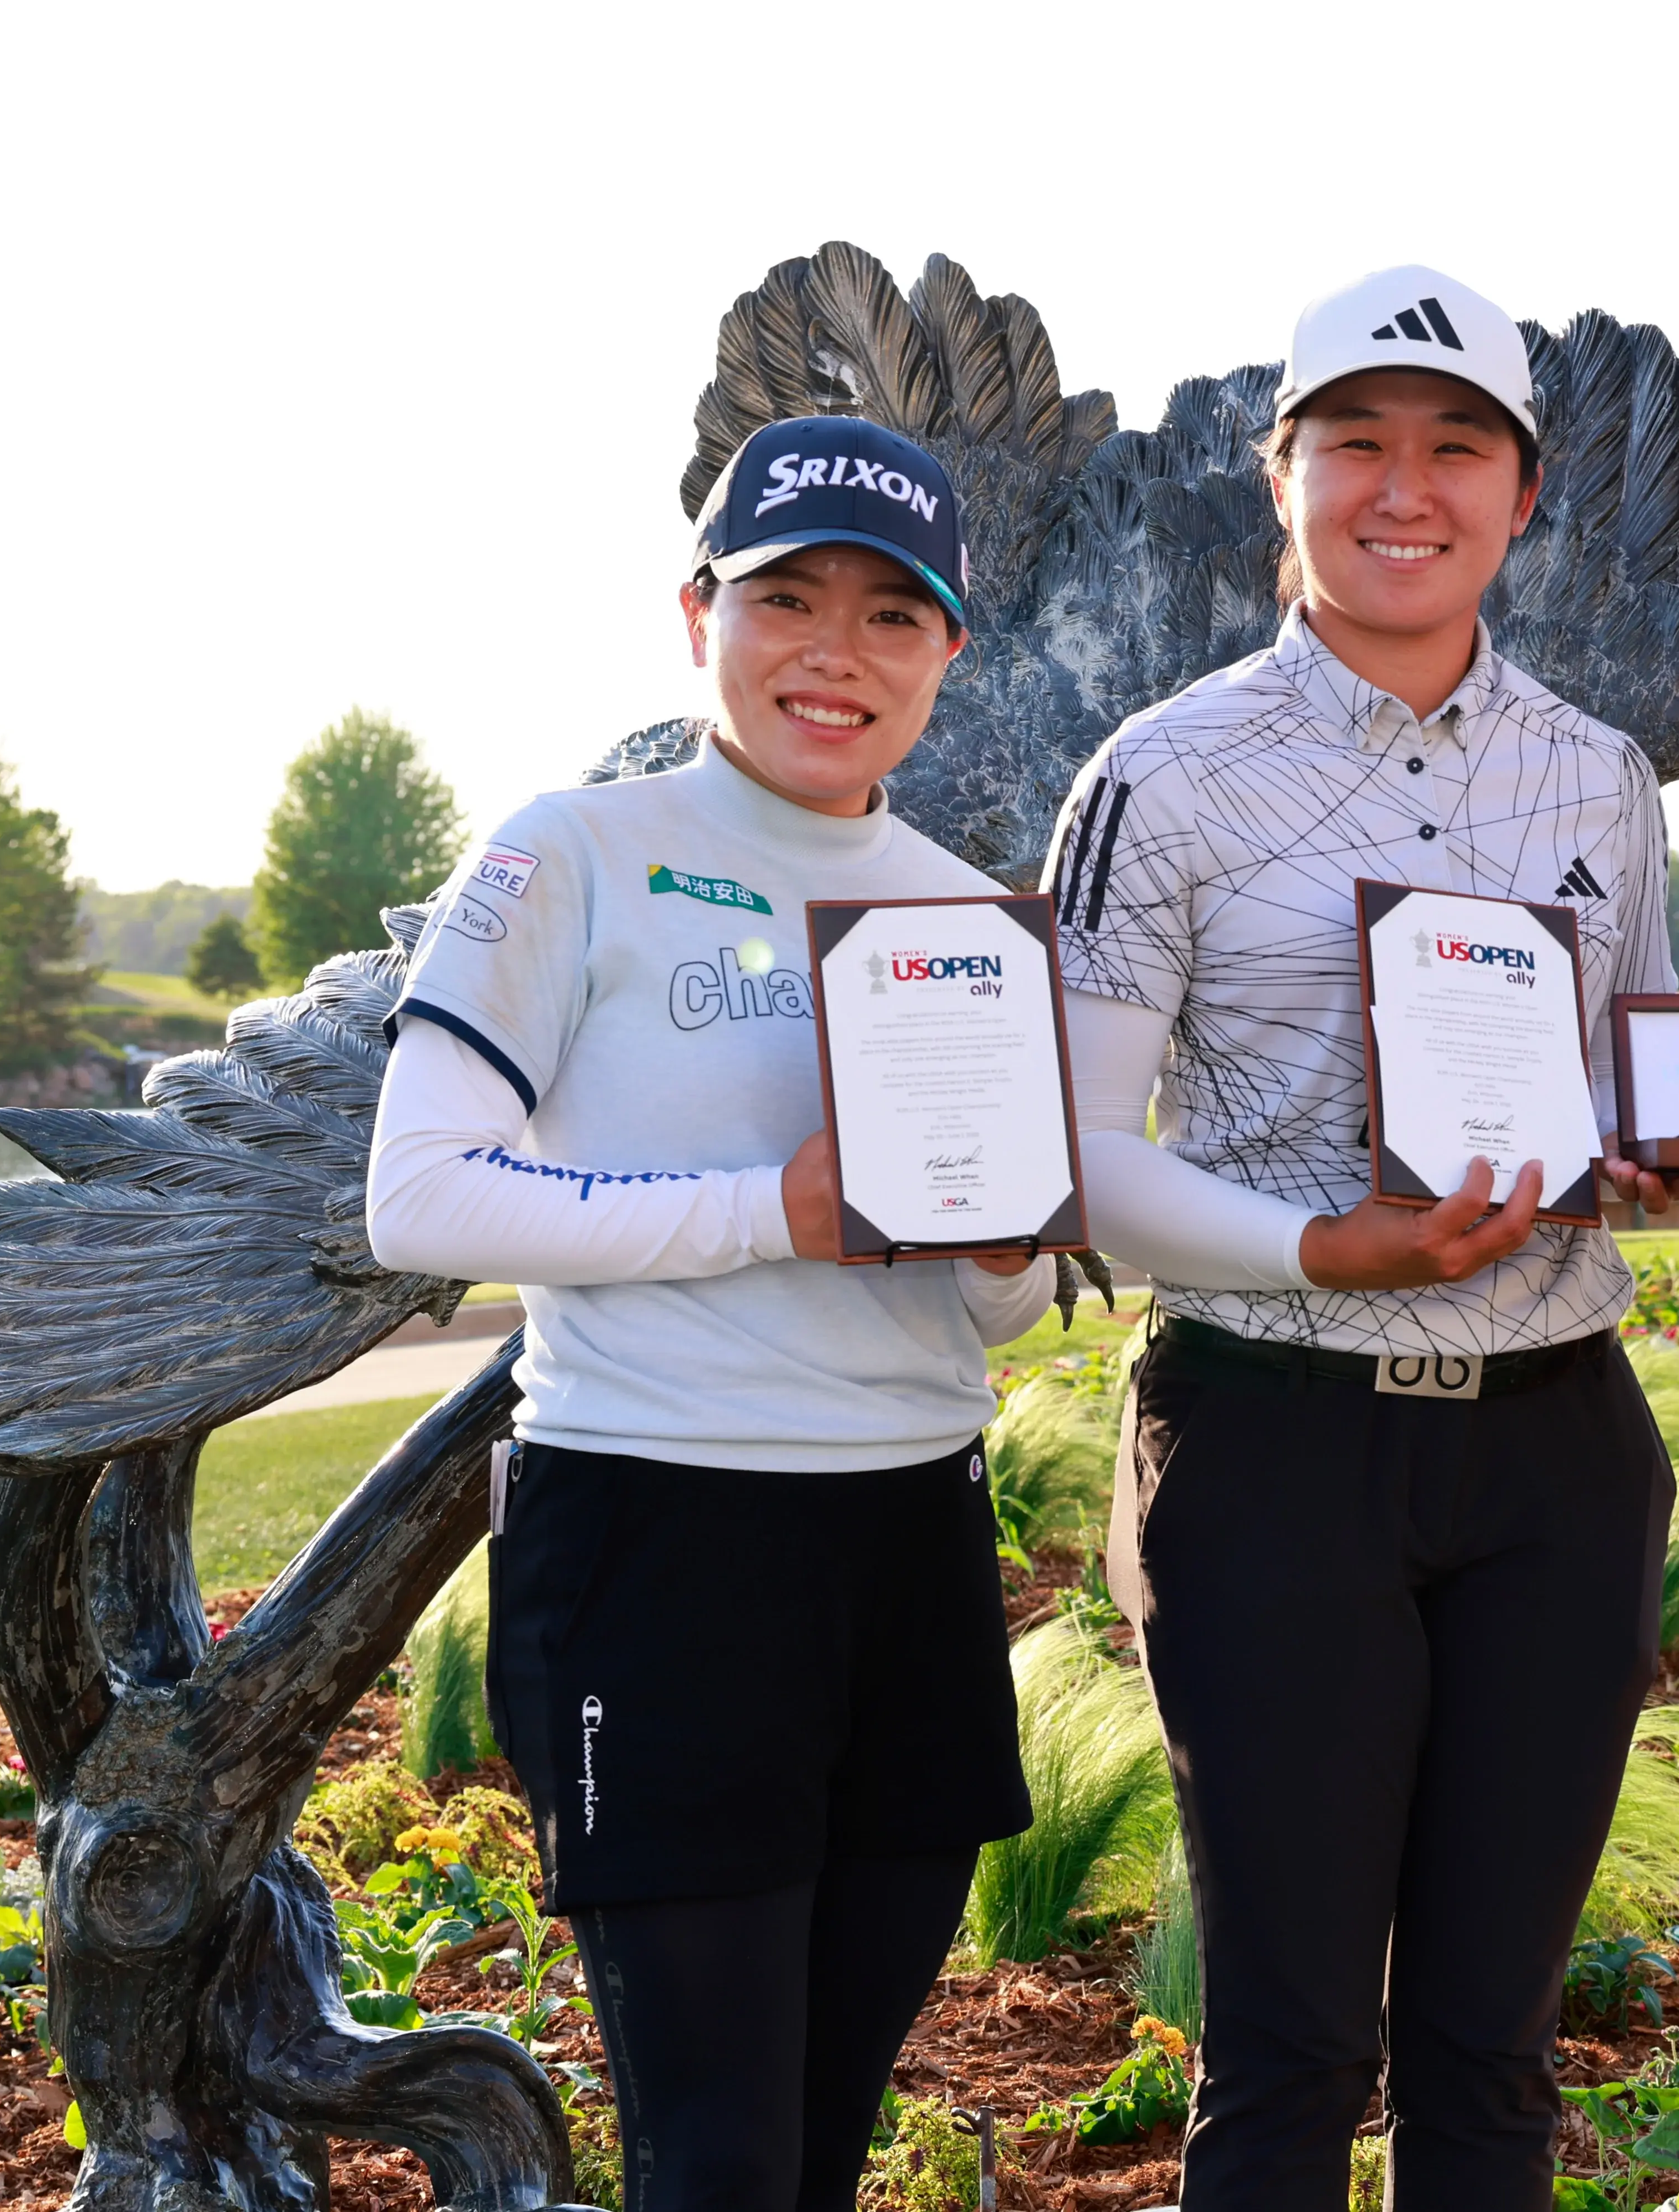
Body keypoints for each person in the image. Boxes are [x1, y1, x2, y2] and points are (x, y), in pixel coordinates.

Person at [1042, 265, 1679, 2210]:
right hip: (1278, 1442)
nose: (1404, 488)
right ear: (1283, 475)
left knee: (1494, 2058)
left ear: (1523, 492)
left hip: (1555, 1450)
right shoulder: (1161, 772)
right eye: (1356, 442)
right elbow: (1068, 1157)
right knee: (1289, 2050)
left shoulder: (1600, 773)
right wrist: (1324, 1249)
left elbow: (1630, 1080)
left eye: (1456, 448)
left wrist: (1672, 1155)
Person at [365, 415, 1051, 2212]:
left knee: (822, 2145)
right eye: (787, 597)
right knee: (719, 2157)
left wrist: (998, 1243)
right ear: (698, 617)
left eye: (891, 614)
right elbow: (420, 1194)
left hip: (914, 1539)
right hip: (659, 1538)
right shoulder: (572, 852)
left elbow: (1003, 1309)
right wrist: (774, 1211)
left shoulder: (970, 914)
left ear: (948, 651)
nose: (838, 651)